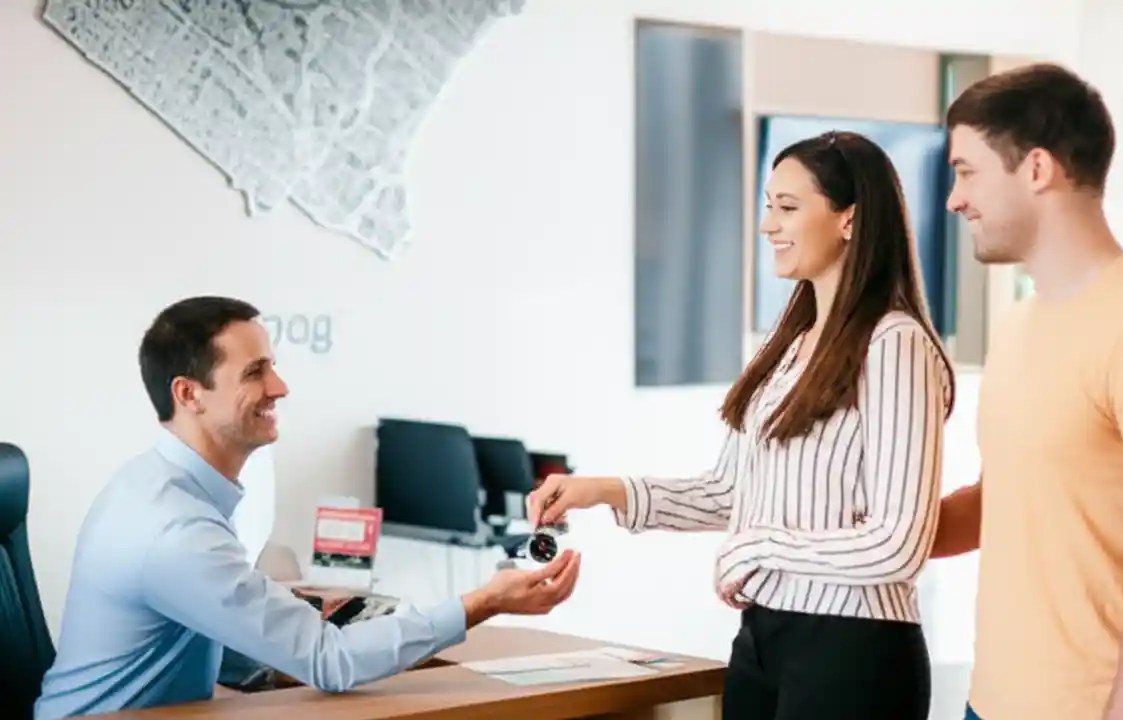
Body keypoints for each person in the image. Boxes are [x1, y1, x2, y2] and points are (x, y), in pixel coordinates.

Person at [527, 131, 955, 720]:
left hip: (853, 649)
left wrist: (758, 546)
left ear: (849, 218)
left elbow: (898, 543)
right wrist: (604, 491)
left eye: (787, 207)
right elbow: (732, 492)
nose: (767, 225)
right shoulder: (786, 348)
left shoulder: (895, 344)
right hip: (763, 637)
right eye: (767, 205)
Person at [35, 296, 582, 719]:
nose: (280, 386)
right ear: (189, 394)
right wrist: (484, 602)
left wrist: (280, 607)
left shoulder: (156, 486)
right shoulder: (175, 529)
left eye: (272, 366)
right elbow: (331, 661)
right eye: (254, 372)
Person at [933, 63, 1123, 720]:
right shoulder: (1019, 326)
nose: (954, 199)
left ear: (1037, 169)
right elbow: (1000, 502)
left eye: (967, 170)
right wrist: (846, 537)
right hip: (990, 704)